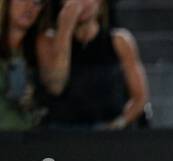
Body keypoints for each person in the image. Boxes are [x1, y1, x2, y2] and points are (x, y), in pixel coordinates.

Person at [35, 0, 149, 128]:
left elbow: (140, 98)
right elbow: (56, 85)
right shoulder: (47, 41)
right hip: (64, 133)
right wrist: (65, 29)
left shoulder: (120, 41)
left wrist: (117, 124)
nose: (83, 3)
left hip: (108, 133)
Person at [1, 0, 43, 130]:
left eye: (37, 2)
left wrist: (30, 103)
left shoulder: (39, 51)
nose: (29, 6)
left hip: (26, 138)